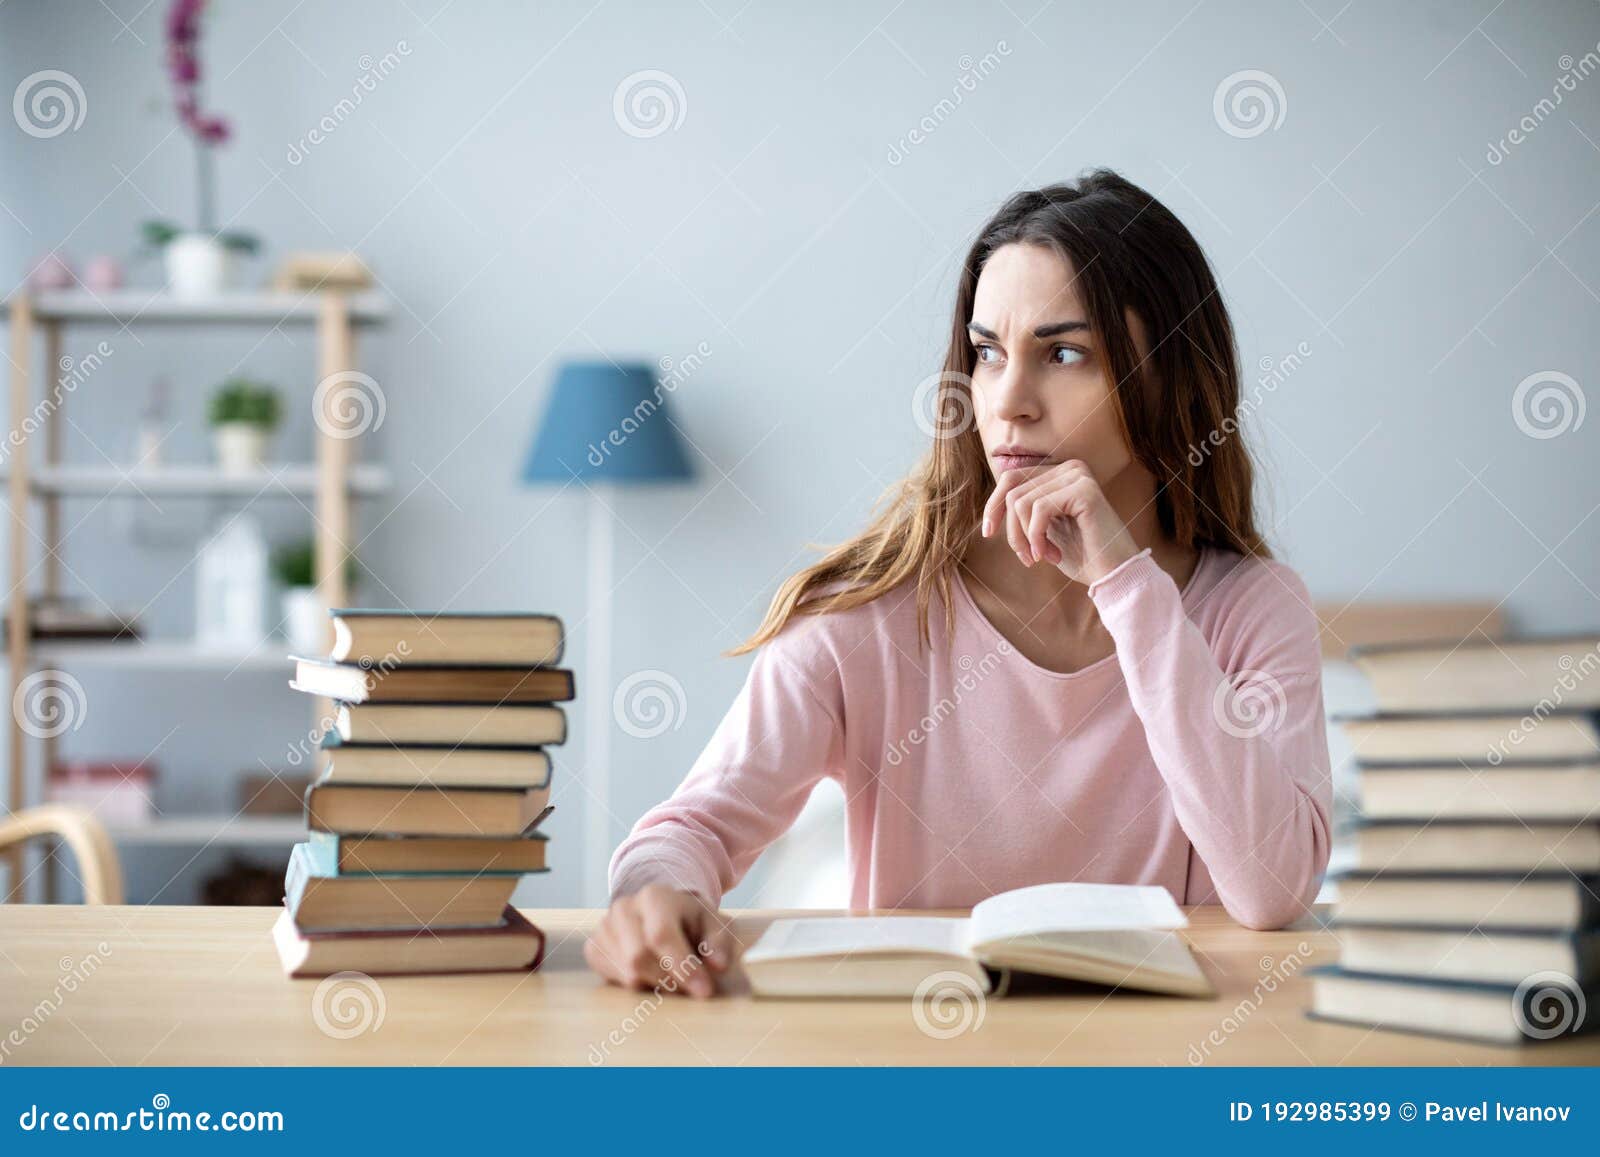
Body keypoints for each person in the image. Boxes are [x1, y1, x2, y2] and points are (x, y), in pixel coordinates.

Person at [584, 169, 1331, 998]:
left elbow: (1271, 889)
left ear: (1169, 373)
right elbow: (691, 829)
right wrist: (653, 899)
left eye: (1064, 353)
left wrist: (1128, 587)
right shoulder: (866, 621)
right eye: (987, 353)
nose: (1008, 401)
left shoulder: (1253, 610)